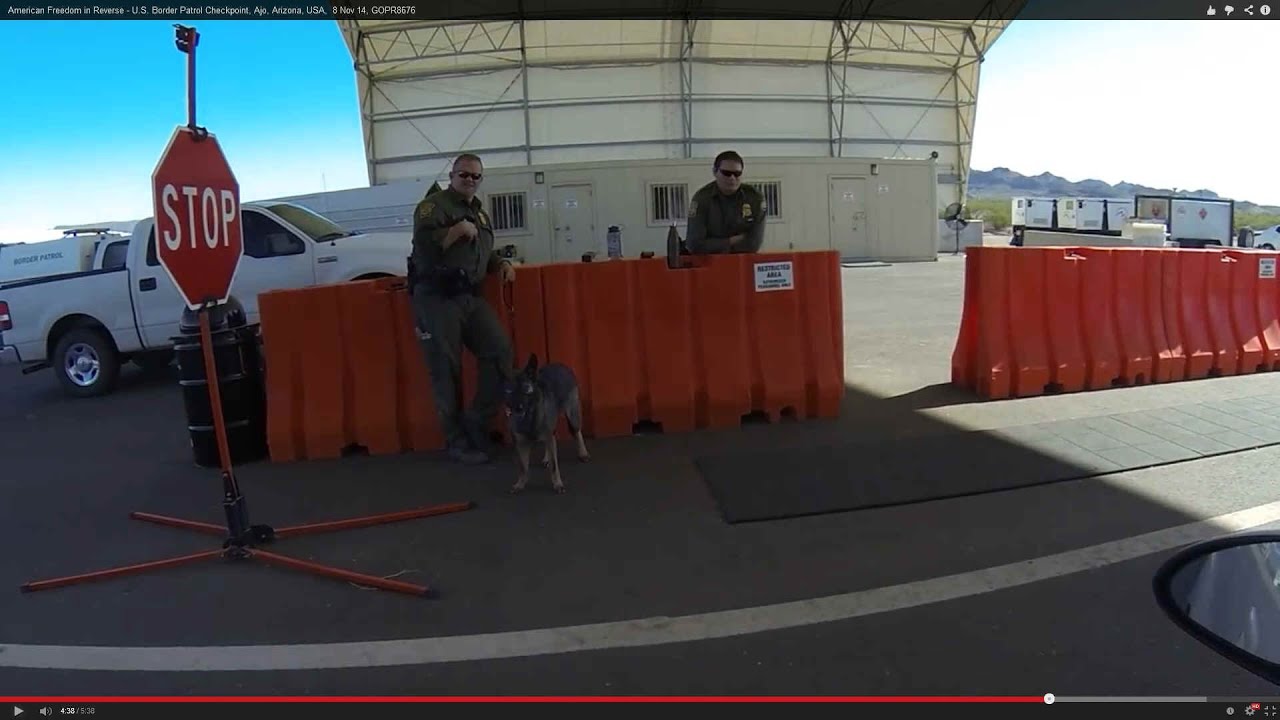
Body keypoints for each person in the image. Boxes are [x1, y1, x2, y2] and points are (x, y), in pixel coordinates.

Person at [410, 153, 517, 465]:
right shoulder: (434, 206)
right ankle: (456, 441)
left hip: (471, 296)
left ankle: (476, 422)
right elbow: (424, 248)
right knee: (446, 370)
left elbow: (480, 251)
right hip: (437, 297)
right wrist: (453, 232)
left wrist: (501, 262)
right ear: (452, 175)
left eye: (475, 176)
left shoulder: (479, 213)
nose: (469, 180)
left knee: (500, 353)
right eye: (464, 175)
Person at [685, 150, 768, 255]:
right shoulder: (702, 199)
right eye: (726, 173)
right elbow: (694, 244)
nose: (732, 178)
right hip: (710, 264)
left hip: (743, 263)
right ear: (715, 172)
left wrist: (715, 244)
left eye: (737, 174)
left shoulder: (754, 198)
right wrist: (731, 241)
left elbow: (753, 244)